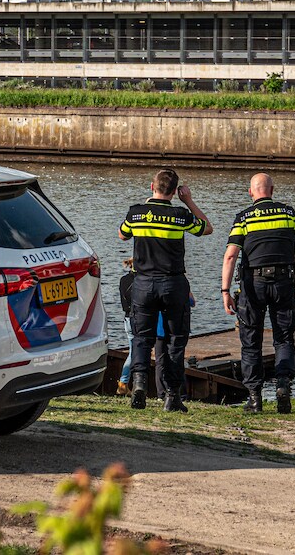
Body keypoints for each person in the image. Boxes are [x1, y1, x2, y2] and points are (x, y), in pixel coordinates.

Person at [221, 173, 295, 414]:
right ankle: (283, 387)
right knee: (284, 337)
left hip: (253, 284)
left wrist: (225, 290)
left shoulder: (244, 217)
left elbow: (231, 255)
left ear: (251, 192)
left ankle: (255, 398)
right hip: (284, 282)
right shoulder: (288, 214)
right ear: (272, 190)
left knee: (250, 340)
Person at [119, 168, 212, 412]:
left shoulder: (136, 213)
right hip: (173, 284)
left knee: (141, 338)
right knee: (174, 341)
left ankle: (139, 383)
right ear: (174, 191)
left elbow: (122, 235)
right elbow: (207, 228)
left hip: (143, 283)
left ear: (152, 187)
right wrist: (189, 200)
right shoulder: (181, 215)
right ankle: (172, 396)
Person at [117, 259, 136, 396]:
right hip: (137, 319)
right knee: (134, 352)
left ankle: (125, 384)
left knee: (133, 350)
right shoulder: (141, 280)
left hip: (127, 318)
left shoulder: (123, 279)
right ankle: (123, 383)